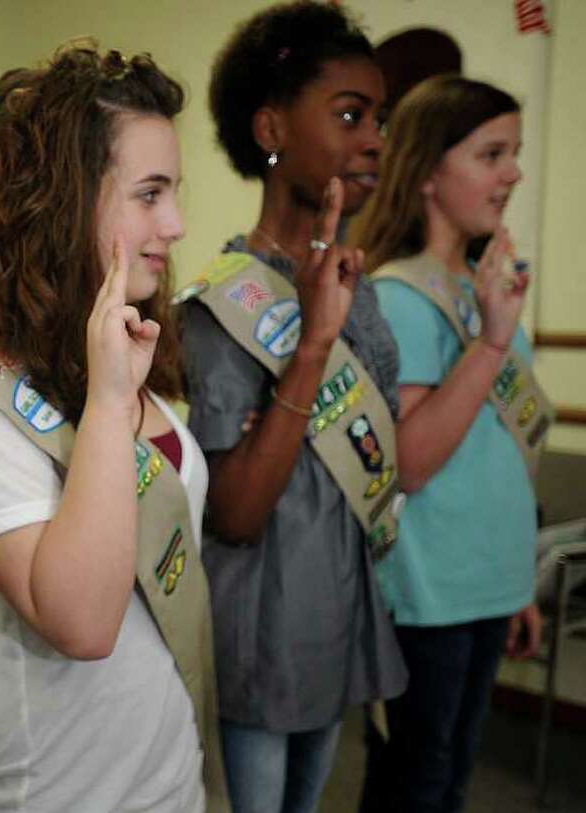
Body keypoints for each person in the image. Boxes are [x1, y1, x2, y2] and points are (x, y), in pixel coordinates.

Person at [0, 43, 229, 813]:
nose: (175, 223)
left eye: (174, 191)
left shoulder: (112, 351)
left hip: (166, 780)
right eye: (149, 194)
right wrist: (113, 405)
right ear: (60, 202)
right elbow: (82, 620)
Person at [176, 3, 408, 811]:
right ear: (271, 127)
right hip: (262, 634)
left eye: (379, 118)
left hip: (338, 618)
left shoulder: (361, 291)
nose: (375, 138)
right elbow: (237, 509)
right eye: (350, 114)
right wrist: (309, 349)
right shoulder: (216, 308)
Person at [352, 74, 550, 813]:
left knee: (452, 782)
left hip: (485, 585)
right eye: (492, 153)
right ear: (429, 171)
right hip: (429, 595)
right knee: (415, 786)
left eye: (516, 153)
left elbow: (502, 451)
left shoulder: (478, 284)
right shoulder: (398, 296)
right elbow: (411, 462)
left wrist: (517, 576)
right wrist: (493, 344)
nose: (513, 173)